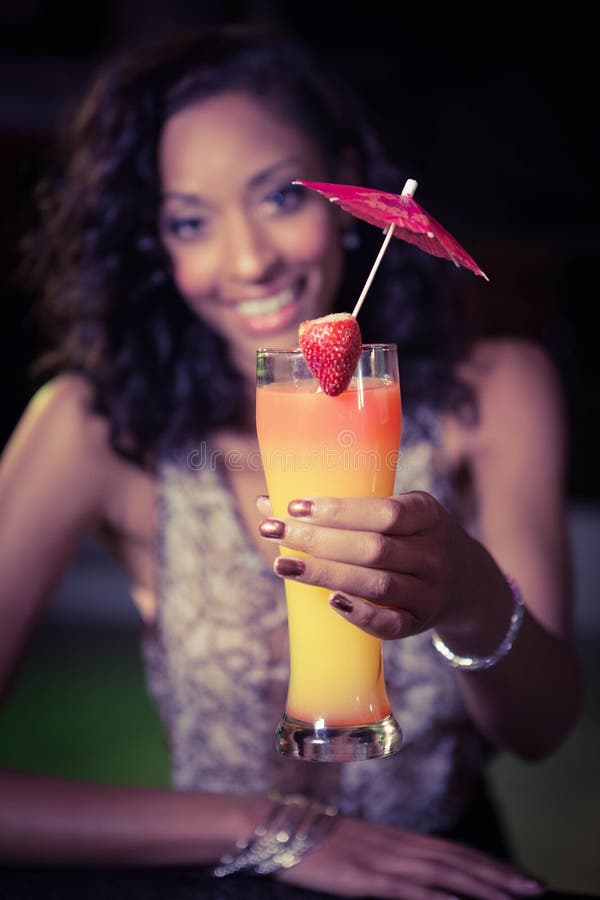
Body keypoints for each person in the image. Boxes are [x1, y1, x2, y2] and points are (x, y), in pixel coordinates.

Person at [0, 23, 581, 899]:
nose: (248, 260)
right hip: (209, 871)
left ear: (345, 189)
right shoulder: (90, 423)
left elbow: (542, 732)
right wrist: (269, 827)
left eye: (279, 197)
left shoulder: (495, 391)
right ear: (154, 244)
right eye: (190, 221)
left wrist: (465, 588)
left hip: (433, 871)